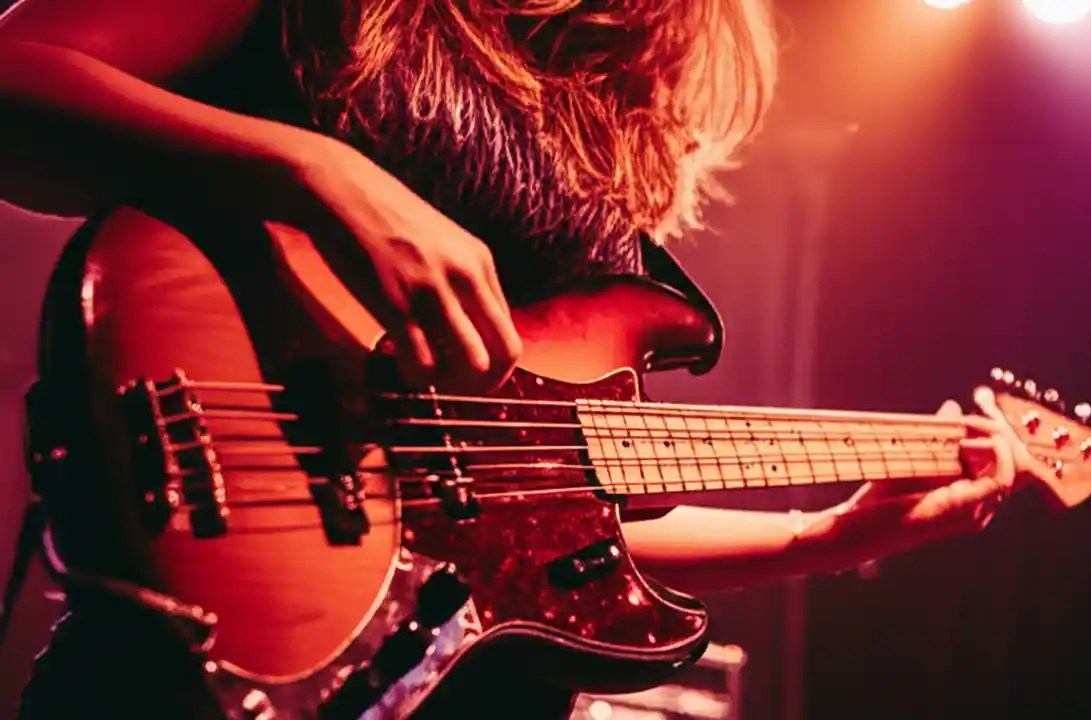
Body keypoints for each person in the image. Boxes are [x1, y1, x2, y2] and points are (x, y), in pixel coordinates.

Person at [0, 0, 1019, 716]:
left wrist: (819, 535)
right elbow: (18, 80)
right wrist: (319, 176)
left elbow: (532, 523)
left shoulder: (613, 109)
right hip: (188, 672)